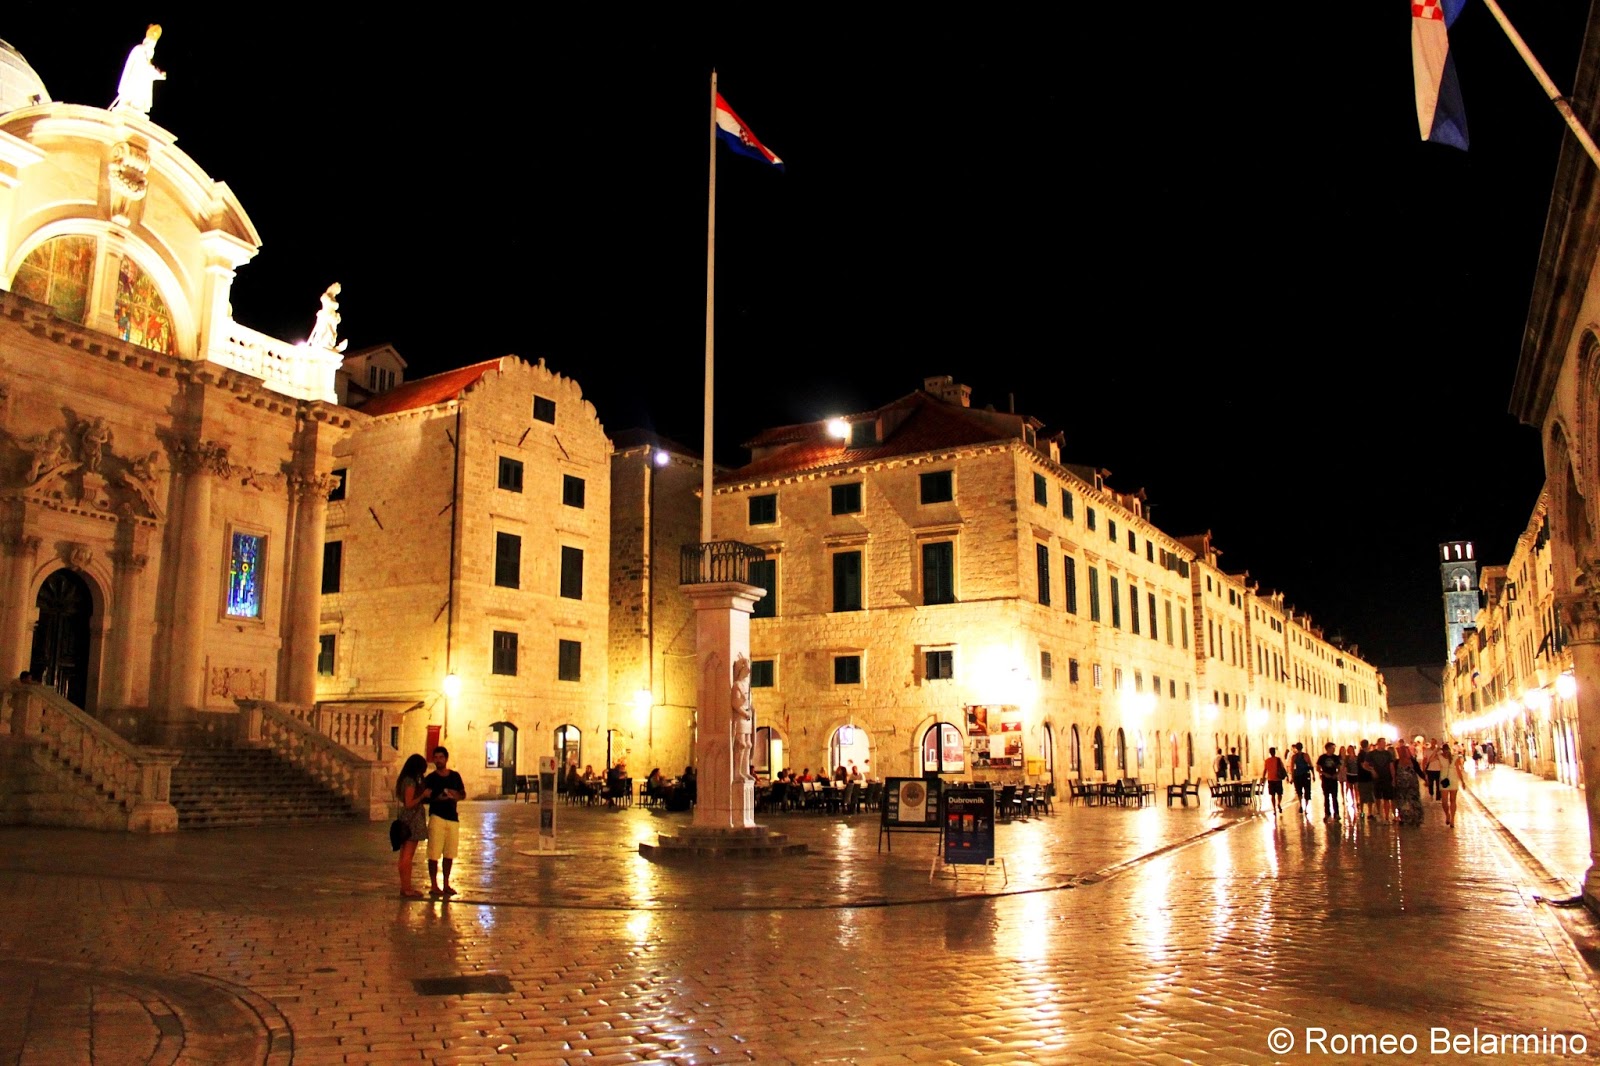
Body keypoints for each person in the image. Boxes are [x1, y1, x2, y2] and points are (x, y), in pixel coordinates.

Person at [422, 746, 466, 898]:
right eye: (436, 757)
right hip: (437, 817)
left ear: (446, 759)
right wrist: (437, 798)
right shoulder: (430, 779)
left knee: (449, 853)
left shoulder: (454, 776)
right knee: (433, 853)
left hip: (453, 818)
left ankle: (446, 883)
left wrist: (456, 796)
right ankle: (434, 884)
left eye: (441, 757)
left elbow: (463, 793)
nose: (438, 760)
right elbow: (425, 797)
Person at [394, 755, 431, 898]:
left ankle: (405, 886)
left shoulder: (404, 780)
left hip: (407, 819)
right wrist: (422, 796)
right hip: (412, 820)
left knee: (404, 855)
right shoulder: (410, 782)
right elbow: (409, 803)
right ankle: (407, 887)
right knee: (407, 856)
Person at [1393, 743, 1424, 826]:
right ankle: (1404, 818)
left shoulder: (1413, 761)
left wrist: (1425, 779)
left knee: (1414, 801)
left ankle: (1416, 818)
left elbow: (1419, 771)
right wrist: (1393, 781)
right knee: (1402, 802)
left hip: (1412, 785)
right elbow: (1393, 773)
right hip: (1401, 786)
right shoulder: (1396, 762)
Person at [1367, 738, 1396, 824]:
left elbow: (1391, 766)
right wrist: (1372, 771)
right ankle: (1379, 813)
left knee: (1387, 798)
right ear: (1378, 743)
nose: (1384, 744)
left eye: (1385, 742)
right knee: (1378, 797)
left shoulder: (1388, 754)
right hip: (1377, 779)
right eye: (1383, 742)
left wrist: (1393, 778)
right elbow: (1365, 765)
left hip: (1387, 778)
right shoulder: (1371, 754)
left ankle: (1387, 817)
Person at [1316, 742, 1342, 821]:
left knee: (1334, 797)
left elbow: (1339, 767)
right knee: (1326, 797)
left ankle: (1336, 813)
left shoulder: (1336, 757)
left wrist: (1336, 774)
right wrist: (1323, 773)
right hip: (1325, 780)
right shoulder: (1322, 757)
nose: (1334, 749)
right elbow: (1318, 768)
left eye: (1334, 748)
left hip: (1333, 779)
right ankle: (1327, 813)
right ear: (1328, 748)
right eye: (1332, 748)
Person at [1438, 744, 1463, 827]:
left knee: (1453, 800)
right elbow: (1430, 759)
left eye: (1446, 750)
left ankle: (1452, 819)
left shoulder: (1455, 757)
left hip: (1453, 780)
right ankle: (1447, 814)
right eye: (1444, 750)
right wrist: (1436, 750)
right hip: (1444, 780)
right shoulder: (1440, 757)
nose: (1446, 752)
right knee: (1444, 802)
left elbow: (1458, 769)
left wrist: (1462, 781)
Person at [1261, 747, 1287, 814]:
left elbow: (1265, 770)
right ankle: (1278, 803)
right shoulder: (1278, 760)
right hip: (1278, 779)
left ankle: (1274, 809)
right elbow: (1283, 768)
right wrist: (1287, 776)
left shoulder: (1267, 761)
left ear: (1270, 752)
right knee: (1279, 794)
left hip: (1270, 779)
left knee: (1272, 795)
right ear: (1274, 752)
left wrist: (1263, 778)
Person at [1289, 743, 1313, 808]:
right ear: (1302, 747)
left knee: (1299, 791)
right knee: (1307, 790)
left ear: (1296, 748)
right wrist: (1313, 775)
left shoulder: (1294, 757)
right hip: (1306, 775)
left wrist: (1291, 777)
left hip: (1297, 775)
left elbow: (1292, 767)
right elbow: (1311, 765)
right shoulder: (1306, 755)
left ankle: (1300, 804)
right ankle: (1306, 806)